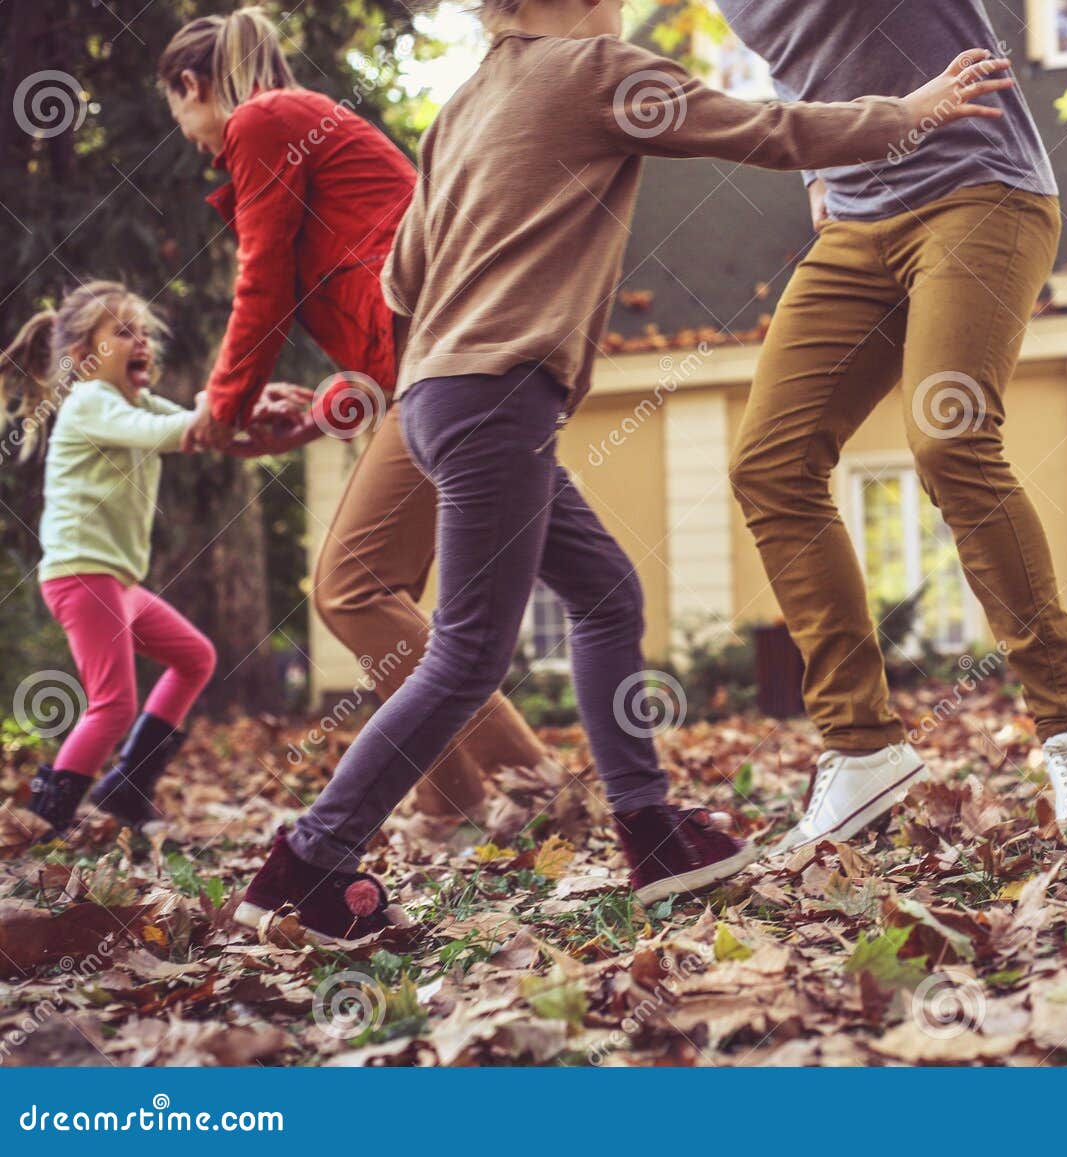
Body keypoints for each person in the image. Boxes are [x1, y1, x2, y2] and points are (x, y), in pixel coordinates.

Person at [235, 0, 1017, 943]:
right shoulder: (598, 72)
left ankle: (650, 832)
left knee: (604, 594)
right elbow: (768, 129)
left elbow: (399, 277)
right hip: (498, 397)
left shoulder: (461, 106)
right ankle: (309, 862)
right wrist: (914, 109)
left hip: (440, 397)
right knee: (470, 651)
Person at [720, 0, 1067, 850]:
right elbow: (794, 53)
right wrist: (814, 176)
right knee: (769, 462)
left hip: (979, 188)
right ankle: (861, 745)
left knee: (950, 436)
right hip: (858, 222)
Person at [157, 6, 546, 821]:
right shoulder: (300, 126)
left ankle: (530, 786)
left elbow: (262, 284)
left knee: (351, 588)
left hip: (447, 367)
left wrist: (222, 410)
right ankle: (452, 808)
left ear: (191, 85)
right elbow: (367, 294)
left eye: (181, 115)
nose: (193, 141)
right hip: (433, 365)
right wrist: (321, 407)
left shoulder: (264, 121)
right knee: (383, 594)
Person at [1, 282, 216, 837]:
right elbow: (174, 430)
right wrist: (213, 411)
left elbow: (199, 428)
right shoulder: (92, 401)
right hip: (82, 573)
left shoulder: (133, 401)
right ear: (82, 357)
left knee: (194, 657)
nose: (140, 340)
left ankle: (128, 783)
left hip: (114, 580)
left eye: (143, 331)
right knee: (113, 705)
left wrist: (258, 412)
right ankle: (44, 819)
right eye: (123, 332)